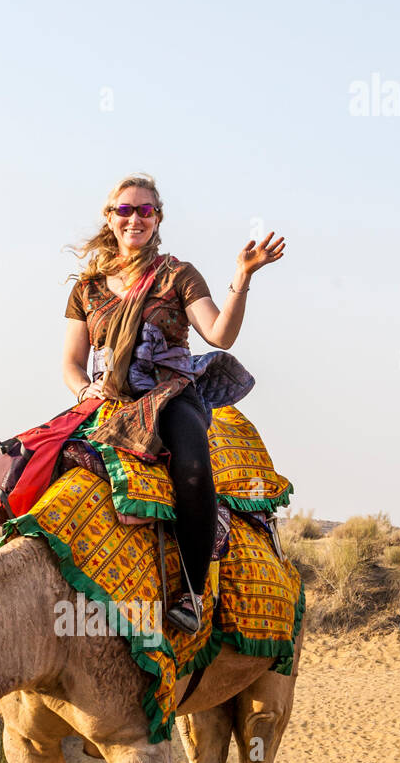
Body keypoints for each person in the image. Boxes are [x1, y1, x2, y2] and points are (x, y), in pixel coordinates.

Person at [62, 173, 285, 633]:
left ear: (157, 218)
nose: (135, 219)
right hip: (109, 402)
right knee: (39, 462)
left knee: (194, 471)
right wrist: (84, 390)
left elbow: (220, 334)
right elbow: (71, 363)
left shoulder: (177, 275)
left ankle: (192, 592)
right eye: (126, 210)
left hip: (170, 395)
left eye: (145, 210)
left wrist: (242, 276)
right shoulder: (87, 288)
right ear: (110, 218)